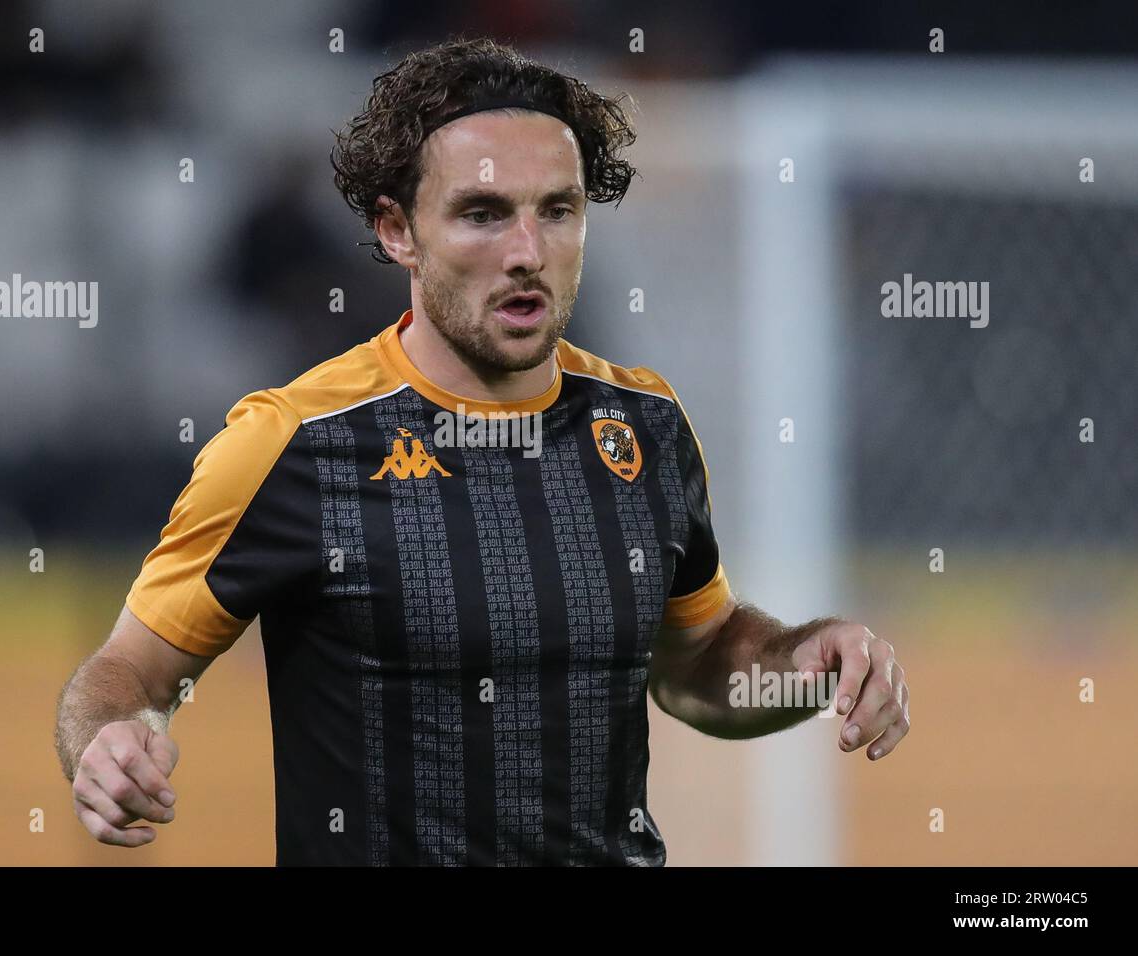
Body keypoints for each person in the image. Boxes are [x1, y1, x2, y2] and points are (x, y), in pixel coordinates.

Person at [55, 36, 909, 866]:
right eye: (483, 214)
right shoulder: (293, 442)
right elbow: (129, 669)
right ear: (397, 231)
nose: (528, 254)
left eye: (558, 211)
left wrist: (805, 658)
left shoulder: (644, 427)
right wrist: (110, 737)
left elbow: (696, 666)